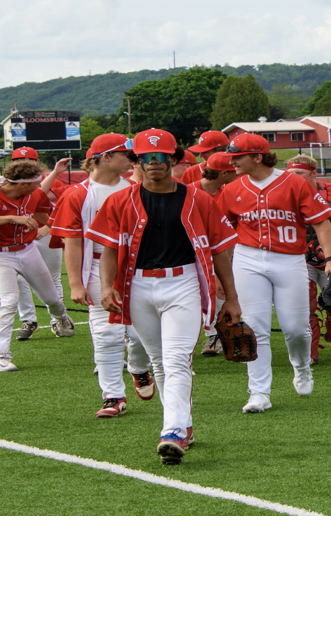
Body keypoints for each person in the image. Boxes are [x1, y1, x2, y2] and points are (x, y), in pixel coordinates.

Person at [87, 128, 243, 465]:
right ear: (137, 162)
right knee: (159, 360)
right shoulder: (119, 200)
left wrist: (230, 297)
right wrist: (106, 285)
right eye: (146, 157)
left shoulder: (199, 198)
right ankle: (182, 424)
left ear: (173, 159)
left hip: (183, 283)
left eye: (161, 157)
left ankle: (172, 431)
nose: (154, 163)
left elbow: (220, 253)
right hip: (138, 286)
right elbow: (109, 249)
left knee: (175, 359)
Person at [218, 132, 331, 414]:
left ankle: (301, 366)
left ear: (257, 157)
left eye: (238, 156)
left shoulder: (294, 183)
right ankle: (259, 392)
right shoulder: (232, 189)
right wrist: (219, 274)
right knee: (254, 327)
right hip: (248, 259)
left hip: (289, 259)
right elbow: (221, 235)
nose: (233, 161)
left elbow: (322, 223)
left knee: (296, 329)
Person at [51, 132, 159, 416]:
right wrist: (76, 283)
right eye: (126, 154)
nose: (132, 159)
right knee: (106, 333)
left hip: (138, 268)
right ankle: (113, 396)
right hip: (98, 269)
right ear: (106, 157)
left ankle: (138, 368)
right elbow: (72, 241)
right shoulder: (77, 194)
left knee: (140, 334)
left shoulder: (139, 189)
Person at [0, 160, 73, 372]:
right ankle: (0, 357)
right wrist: (11, 217)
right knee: (9, 300)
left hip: (27, 250)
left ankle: (61, 317)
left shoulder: (33, 194)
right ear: (22, 184)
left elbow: (42, 214)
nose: (39, 186)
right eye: (36, 182)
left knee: (52, 299)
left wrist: (50, 229)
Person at [286, 154, 331, 362]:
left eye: (300, 173)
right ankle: (309, 354)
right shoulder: (281, 193)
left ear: (313, 173)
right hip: (297, 260)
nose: (294, 178)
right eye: (290, 174)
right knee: (304, 307)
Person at [6, 147, 75, 339]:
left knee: (51, 278)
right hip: (20, 236)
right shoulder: (5, 184)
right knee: (18, 278)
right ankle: (29, 320)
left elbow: (39, 195)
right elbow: (28, 195)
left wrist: (48, 228)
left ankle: (57, 319)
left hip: (45, 234)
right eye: (18, 160)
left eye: (30, 159)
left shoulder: (53, 181)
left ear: (37, 163)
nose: (23, 163)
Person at [193, 151, 239, 357]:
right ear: (222, 173)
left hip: (222, 252)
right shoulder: (187, 192)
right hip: (190, 255)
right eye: (233, 170)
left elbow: (227, 234)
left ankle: (217, 336)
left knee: (221, 294)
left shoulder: (229, 192)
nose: (237, 173)